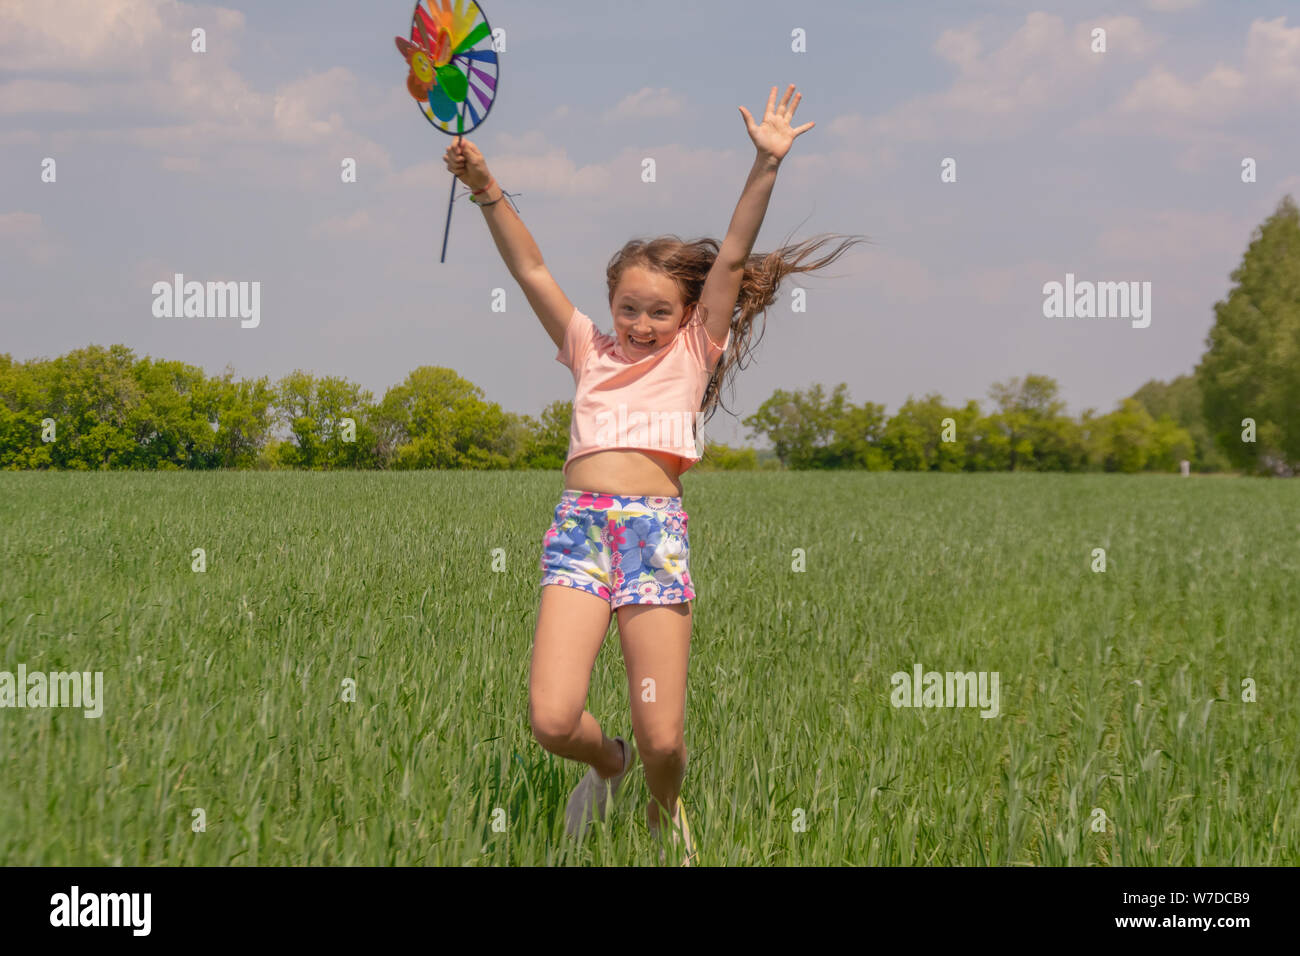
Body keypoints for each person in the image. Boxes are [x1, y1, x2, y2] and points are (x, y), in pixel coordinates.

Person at [444, 84, 865, 865]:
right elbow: (532, 269)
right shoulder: (586, 350)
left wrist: (765, 165)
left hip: (652, 538)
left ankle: (663, 806)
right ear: (610, 303)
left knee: (664, 734)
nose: (641, 325)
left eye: (658, 313)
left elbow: (733, 254)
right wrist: (486, 189)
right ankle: (607, 766)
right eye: (629, 308)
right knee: (550, 718)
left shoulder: (693, 352)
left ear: (687, 316)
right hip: (579, 536)